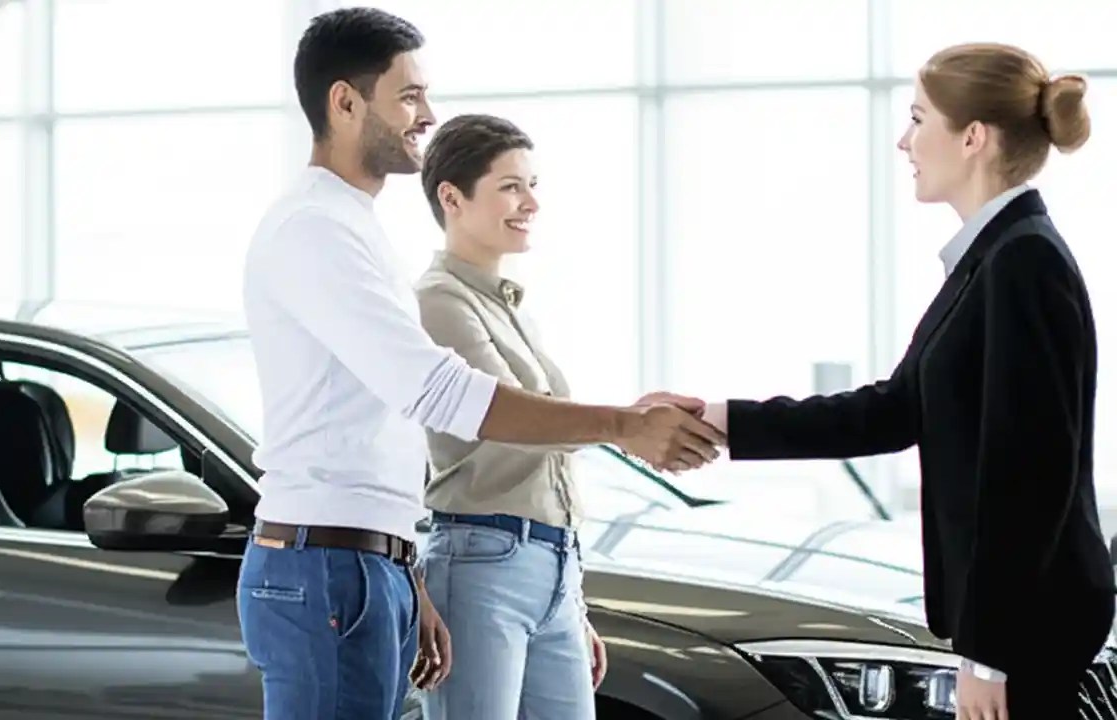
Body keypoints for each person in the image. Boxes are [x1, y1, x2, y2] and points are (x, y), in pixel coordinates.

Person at [236, 8, 726, 720]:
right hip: (328, 567)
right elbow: (438, 394)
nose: (427, 115)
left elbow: (384, 429)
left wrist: (406, 570)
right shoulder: (315, 229)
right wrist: (623, 424)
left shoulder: (352, 226)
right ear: (344, 102)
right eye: (408, 96)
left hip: (364, 561)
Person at [697, 42, 1114, 719]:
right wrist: (720, 417)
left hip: (1031, 626)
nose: (903, 140)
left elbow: (1029, 476)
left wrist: (989, 653)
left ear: (973, 137)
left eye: (919, 119)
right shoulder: (993, 257)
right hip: (1023, 621)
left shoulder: (1022, 262)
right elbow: (891, 412)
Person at [411, 114, 602, 718]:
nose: (532, 203)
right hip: (481, 564)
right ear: (452, 197)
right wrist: (626, 424)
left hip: (552, 563)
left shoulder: (511, 306)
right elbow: (507, 416)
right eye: (511, 186)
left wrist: (568, 599)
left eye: (533, 184)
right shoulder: (439, 301)